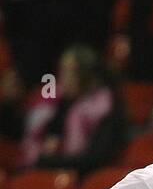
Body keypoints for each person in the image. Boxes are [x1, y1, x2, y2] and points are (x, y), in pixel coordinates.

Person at [20, 45, 126, 173]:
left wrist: (47, 160)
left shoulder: (108, 109)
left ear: (86, 76)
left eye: (67, 71)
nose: (61, 78)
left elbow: (95, 159)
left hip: (92, 181)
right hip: (61, 174)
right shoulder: (62, 103)